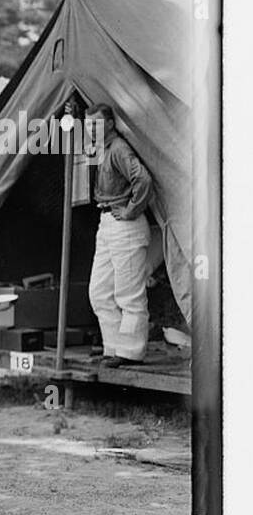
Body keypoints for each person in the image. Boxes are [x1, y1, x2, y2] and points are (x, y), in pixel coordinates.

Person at [86, 103, 155, 368]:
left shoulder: (118, 149)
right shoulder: (102, 149)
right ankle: (113, 346)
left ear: (111, 124)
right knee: (99, 292)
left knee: (129, 293)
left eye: (97, 123)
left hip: (124, 224)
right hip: (107, 222)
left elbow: (143, 180)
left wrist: (130, 210)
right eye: (89, 124)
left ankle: (130, 352)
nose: (92, 129)